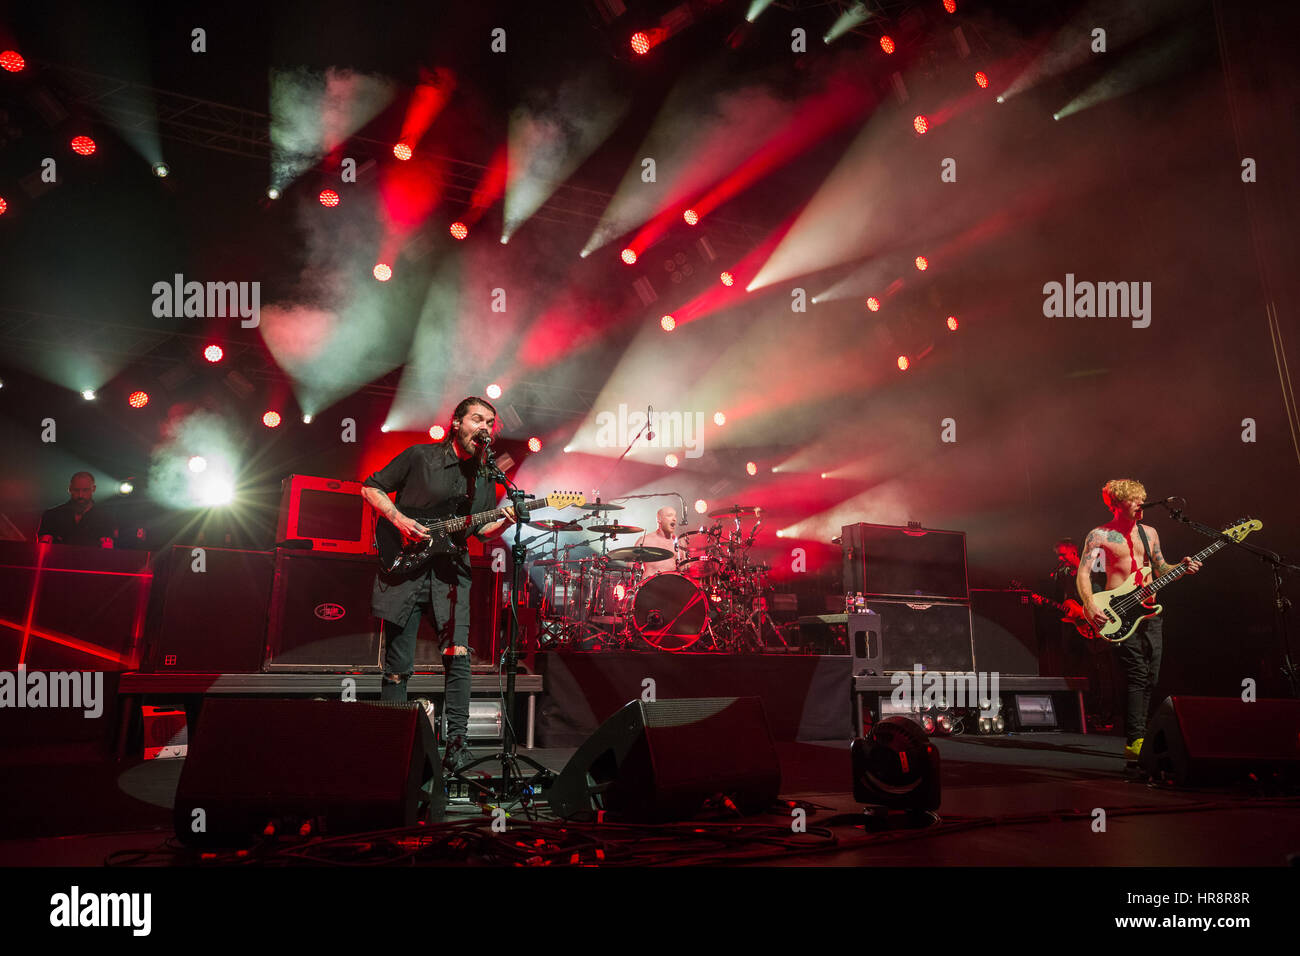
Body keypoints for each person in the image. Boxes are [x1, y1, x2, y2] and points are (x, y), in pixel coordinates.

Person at [360, 398, 514, 774]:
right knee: (398, 663)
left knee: (458, 656)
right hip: (406, 566)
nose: (485, 427)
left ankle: (456, 747)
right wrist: (399, 520)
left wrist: (506, 519)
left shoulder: (483, 475)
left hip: (451, 571)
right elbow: (370, 488)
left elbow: (479, 530)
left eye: (491, 423)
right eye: (477, 419)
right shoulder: (419, 456)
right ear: (457, 422)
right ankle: (391, 742)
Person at [1076, 479, 1201, 761]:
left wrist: (1182, 568)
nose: (1140, 504)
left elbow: (1161, 567)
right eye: (1133, 499)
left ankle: (1141, 735)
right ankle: (1136, 740)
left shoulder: (1150, 533)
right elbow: (1084, 573)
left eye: (1141, 498)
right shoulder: (1100, 535)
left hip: (1150, 611)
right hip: (1118, 612)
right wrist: (1089, 603)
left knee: (1152, 676)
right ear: (1116, 504)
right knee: (1136, 674)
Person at [37, 471, 115, 548]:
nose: (80, 495)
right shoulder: (51, 515)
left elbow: (108, 550)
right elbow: (41, 546)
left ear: (93, 489)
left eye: (85, 490)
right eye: (76, 490)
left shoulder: (106, 518)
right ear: (70, 489)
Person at [634, 507, 685, 576]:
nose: (674, 519)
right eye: (669, 515)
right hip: (650, 585)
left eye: (675, 516)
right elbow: (632, 568)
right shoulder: (645, 541)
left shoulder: (678, 543)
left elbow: (684, 571)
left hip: (673, 584)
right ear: (659, 519)